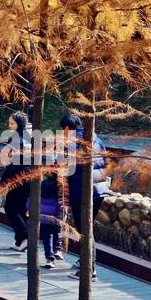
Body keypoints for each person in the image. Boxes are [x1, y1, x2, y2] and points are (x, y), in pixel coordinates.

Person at [60, 113, 107, 279]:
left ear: (67, 128)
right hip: (99, 190)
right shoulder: (94, 137)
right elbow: (105, 161)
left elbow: (67, 168)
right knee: (87, 229)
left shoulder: (73, 142)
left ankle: (89, 269)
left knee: (85, 231)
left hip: (83, 191)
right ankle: (85, 260)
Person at [0, 111, 32, 252]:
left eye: (12, 123)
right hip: (30, 176)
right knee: (22, 208)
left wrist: (4, 182)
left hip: (18, 177)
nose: (10, 126)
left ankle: (24, 236)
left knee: (11, 208)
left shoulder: (17, 140)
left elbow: (13, 165)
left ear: (19, 124)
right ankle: (20, 241)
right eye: (9, 123)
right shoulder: (31, 137)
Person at [38, 171, 66, 269]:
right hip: (56, 215)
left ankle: (49, 259)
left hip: (44, 216)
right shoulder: (61, 186)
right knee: (57, 232)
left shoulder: (42, 184)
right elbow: (63, 202)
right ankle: (57, 250)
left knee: (47, 238)